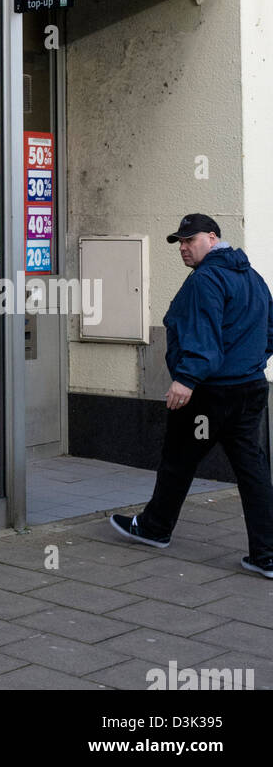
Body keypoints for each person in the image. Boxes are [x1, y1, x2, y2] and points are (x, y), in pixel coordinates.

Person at [110, 213, 273, 578]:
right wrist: (253, 361)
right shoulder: (252, 276)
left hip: (210, 394)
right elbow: (270, 329)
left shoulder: (206, 279)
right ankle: (267, 555)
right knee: (252, 469)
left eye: (190, 240)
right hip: (250, 388)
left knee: (178, 460)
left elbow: (203, 335)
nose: (183, 248)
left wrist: (185, 379)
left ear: (213, 238)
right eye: (180, 243)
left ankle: (154, 528)